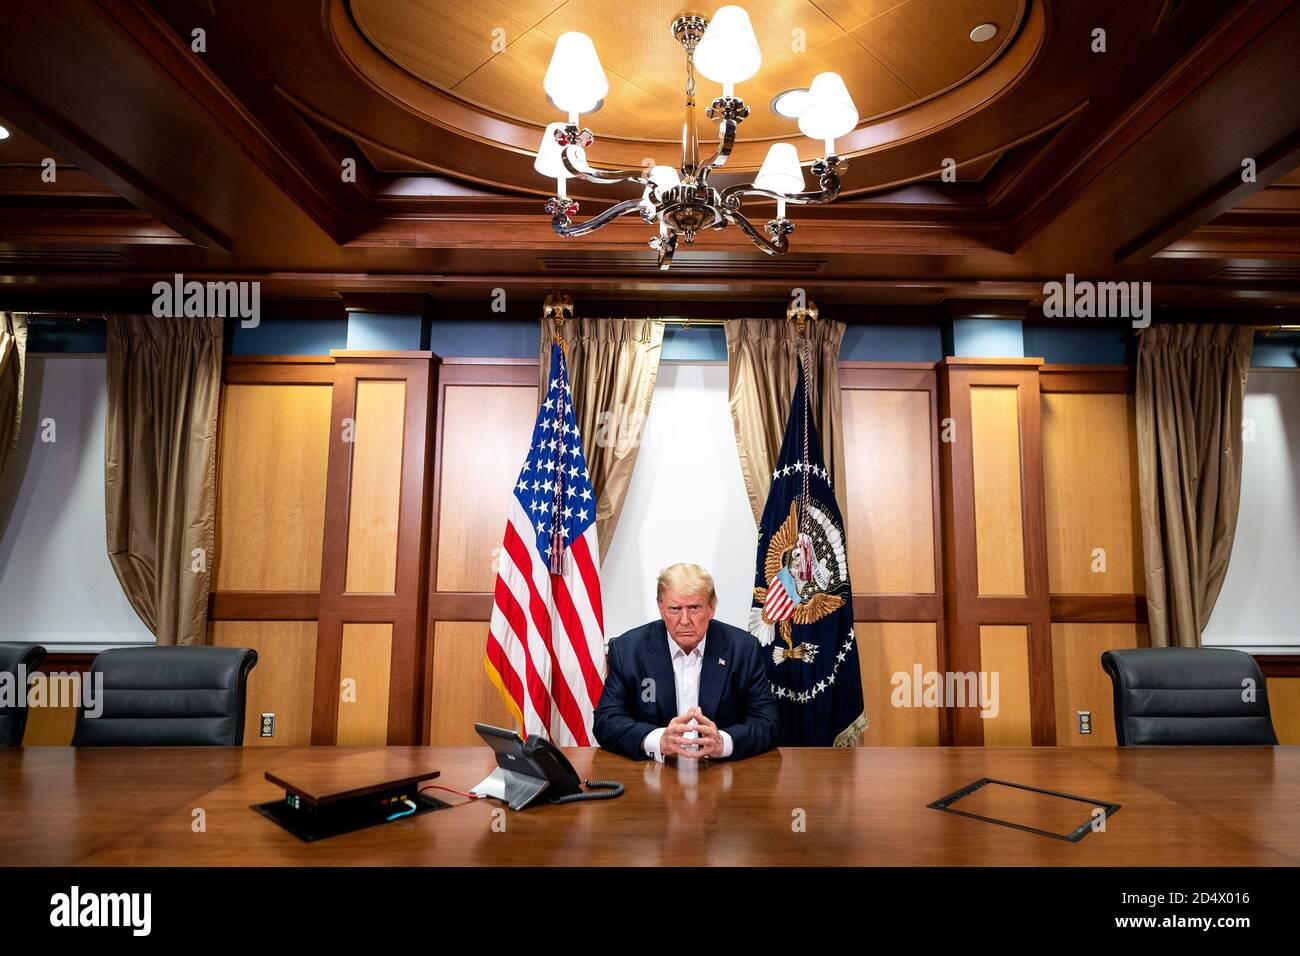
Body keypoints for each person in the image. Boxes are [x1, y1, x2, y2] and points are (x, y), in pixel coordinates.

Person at [593, 563, 778, 761]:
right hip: (654, 774)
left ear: (711, 608)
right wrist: (657, 740)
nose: (684, 620)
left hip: (722, 774)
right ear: (661, 608)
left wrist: (723, 743)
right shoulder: (628, 650)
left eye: (694, 608)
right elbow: (606, 721)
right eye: (674, 609)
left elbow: (767, 723)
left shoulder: (743, 649)